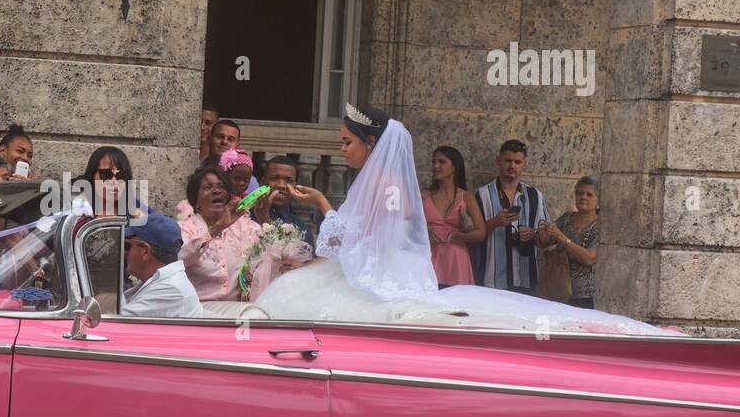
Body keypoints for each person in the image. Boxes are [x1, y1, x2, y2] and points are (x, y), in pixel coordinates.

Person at [254, 104, 663, 335]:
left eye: (347, 142)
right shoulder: (375, 180)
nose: (342, 150)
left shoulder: (388, 185)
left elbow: (370, 244)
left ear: (371, 143)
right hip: (373, 275)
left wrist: (324, 202)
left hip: (385, 283)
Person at [472, 139, 550, 294]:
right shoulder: (482, 195)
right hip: (492, 280)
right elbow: (472, 236)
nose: (512, 166)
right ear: (498, 161)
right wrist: (495, 222)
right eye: (507, 160)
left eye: (517, 162)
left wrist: (533, 234)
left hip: (526, 278)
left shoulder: (535, 196)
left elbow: (545, 240)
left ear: (524, 164)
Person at [179, 166, 261, 301]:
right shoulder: (185, 229)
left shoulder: (243, 226)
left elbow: (269, 246)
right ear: (195, 200)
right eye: (207, 187)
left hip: (238, 308)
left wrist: (264, 216)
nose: (217, 191)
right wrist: (217, 227)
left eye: (221, 187)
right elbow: (178, 259)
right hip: (199, 308)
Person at [422, 146, 485, 287]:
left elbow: (481, 232)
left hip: (457, 260)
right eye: (433, 162)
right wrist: (425, 230)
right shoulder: (424, 195)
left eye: (442, 162)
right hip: (430, 257)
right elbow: (406, 224)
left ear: (455, 167)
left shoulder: (466, 197)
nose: (435, 166)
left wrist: (459, 236)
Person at [122, 213, 203, 317]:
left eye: (127, 246)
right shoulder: (163, 280)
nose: (124, 252)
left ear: (145, 251)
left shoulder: (170, 289)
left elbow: (112, 323)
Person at [539, 176, 601, 308]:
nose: (583, 197)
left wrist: (561, 238)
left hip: (585, 296)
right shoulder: (566, 218)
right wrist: (538, 232)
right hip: (559, 290)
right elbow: (544, 242)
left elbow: (589, 258)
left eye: (589, 194)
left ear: (598, 201)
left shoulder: (600, 226)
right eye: (580, 193)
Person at [248, 155, 318, 244]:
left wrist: (265, 219)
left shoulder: (302, 230)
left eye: (288, 180)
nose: (281, 185)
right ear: (262, 182)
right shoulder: (243, 219)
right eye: (274, 178)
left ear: (294, 186)